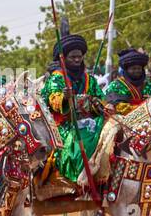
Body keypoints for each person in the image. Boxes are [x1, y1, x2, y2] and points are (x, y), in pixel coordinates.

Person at [40, 19, 104, 185]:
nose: (77, 59)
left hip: (91, 121)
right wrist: (65, 98)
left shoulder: (89, 78)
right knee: (78, 143)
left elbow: (100, 98)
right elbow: (52, 99)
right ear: (63, 58)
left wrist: (97, 103)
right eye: (72, 57)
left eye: (79, 56)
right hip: (65, 125)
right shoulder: (56, 78)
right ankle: (80, 179)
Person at [103, 47, 151, 115]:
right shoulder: (116, 86)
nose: (137, 71)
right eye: (133, 69)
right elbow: (118, 107)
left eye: (139, 68)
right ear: (126, 70)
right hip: (124, 122)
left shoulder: (149, 86)